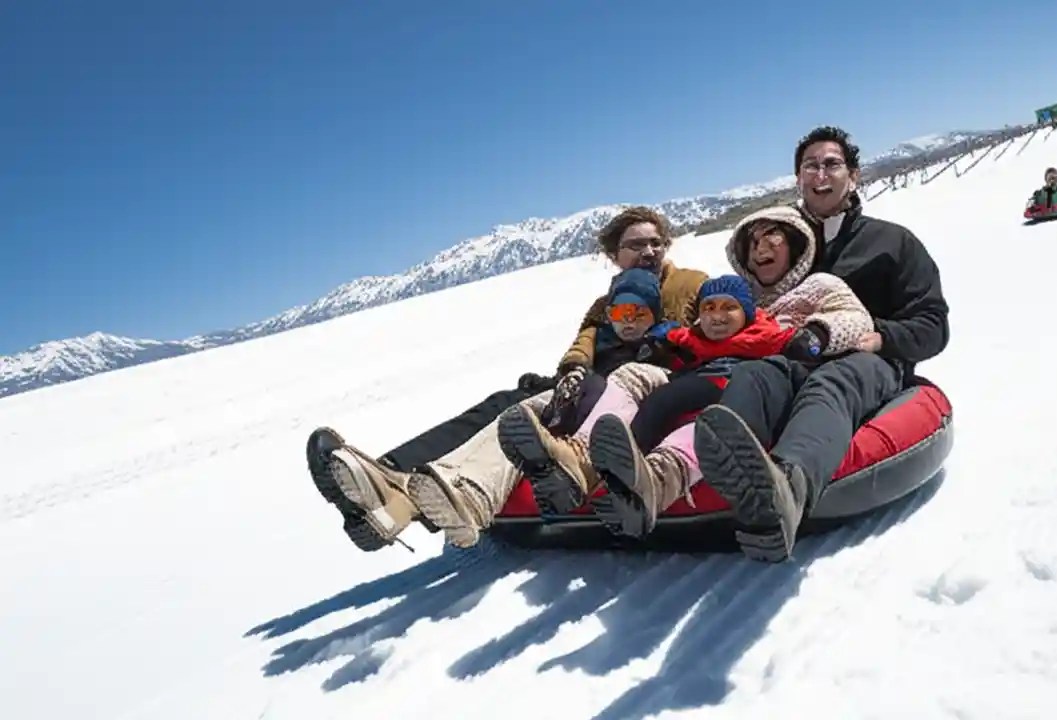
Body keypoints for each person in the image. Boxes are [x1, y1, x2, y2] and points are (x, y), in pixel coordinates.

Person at [304, 206, 707, 552]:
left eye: (656, 242)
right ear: (614, 256)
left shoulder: (689, 283)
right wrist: (570, 370)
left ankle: (411, 498)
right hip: (593, 380)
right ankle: (390, 478)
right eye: (636, 245)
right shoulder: (606, 303)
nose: (649, 251)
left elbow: (721, 323)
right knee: (506, 402)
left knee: (533, 413)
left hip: (640, 383)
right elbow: (584, 341)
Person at [692, 125, 951, 563]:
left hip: (866, 359)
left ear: (854, 175)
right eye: (810, 166)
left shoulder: (891, 242)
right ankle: (723, 478)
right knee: (755, 375)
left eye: (831, 164)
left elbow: (933, 324)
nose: (820, 174)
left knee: (832, 381)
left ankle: (787, 492)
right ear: (798, 179)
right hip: (793, 355)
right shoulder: (783, 241)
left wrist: (884, 338)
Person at [587, 206, 875, 539]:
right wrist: (667, 342)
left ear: (795, 244)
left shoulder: (819, 284)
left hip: (774, 375)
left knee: (737, 385)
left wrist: (817, 334)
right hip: (716, 374)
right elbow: (698, 334)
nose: (761, 249)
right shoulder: (743, 296)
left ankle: (731, 459)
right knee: (660, 393)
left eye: (772, 239)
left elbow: (854, 318)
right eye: (751, 243)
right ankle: (623, 467)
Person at [497, 273, 799, 519]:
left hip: (729, 388)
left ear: (746, 313)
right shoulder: (692, 337)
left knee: (670, 404)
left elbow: (808, 344)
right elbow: (673, 335)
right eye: (709, 308)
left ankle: (646, 472)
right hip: (689, 378)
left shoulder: (767, 336)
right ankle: (580, 458)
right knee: (633, 373)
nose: (717, 316)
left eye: (728, 307)